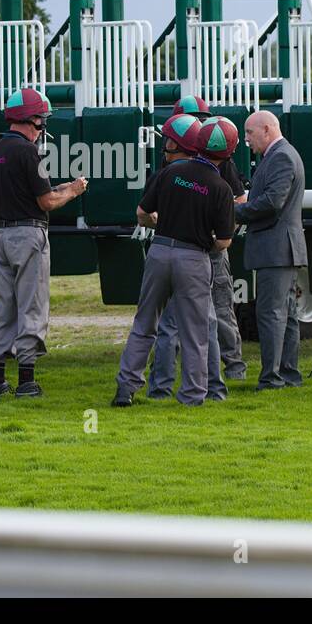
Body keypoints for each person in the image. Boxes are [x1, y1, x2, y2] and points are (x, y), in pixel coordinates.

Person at [113, 114, 235, 407]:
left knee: (145, 323)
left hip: (159, 252)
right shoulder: (221, 189)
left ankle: (126, 388)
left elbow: (142, 213)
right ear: (229, 154)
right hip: (194, 258)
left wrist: (164, 225)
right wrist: (202, 240)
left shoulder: (169, 173)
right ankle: (192, 396)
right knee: (195, 332)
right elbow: (224, 241)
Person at [0, 88, 87, 397]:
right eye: (41, 120)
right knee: (32, 305)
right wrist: (73, 190)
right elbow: (46, 201)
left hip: (3, 235)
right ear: (32, 120)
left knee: (5, 306)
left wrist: (60, 188)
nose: (43, 127)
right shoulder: (31, 152)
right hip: (29, 235)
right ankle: (27, 381)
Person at [148, 98, 248, 395]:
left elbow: (238, 202)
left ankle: (225, 371)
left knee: (205, 315)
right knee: (203, 317)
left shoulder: (216, 161)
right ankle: (211, 384)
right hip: (200, 249)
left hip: (198, 249)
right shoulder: (192, 159)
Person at [235, 110, 308, 390]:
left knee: (271, 313)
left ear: (267, 130)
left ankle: (272, 378)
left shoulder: (280, 156)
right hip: (280, 248)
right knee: (286, 314)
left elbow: (272, 201)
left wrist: (235, 212)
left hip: (276, 248)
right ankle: (287, 374)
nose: (246, 140)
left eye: (249, 134)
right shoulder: (280, 155)